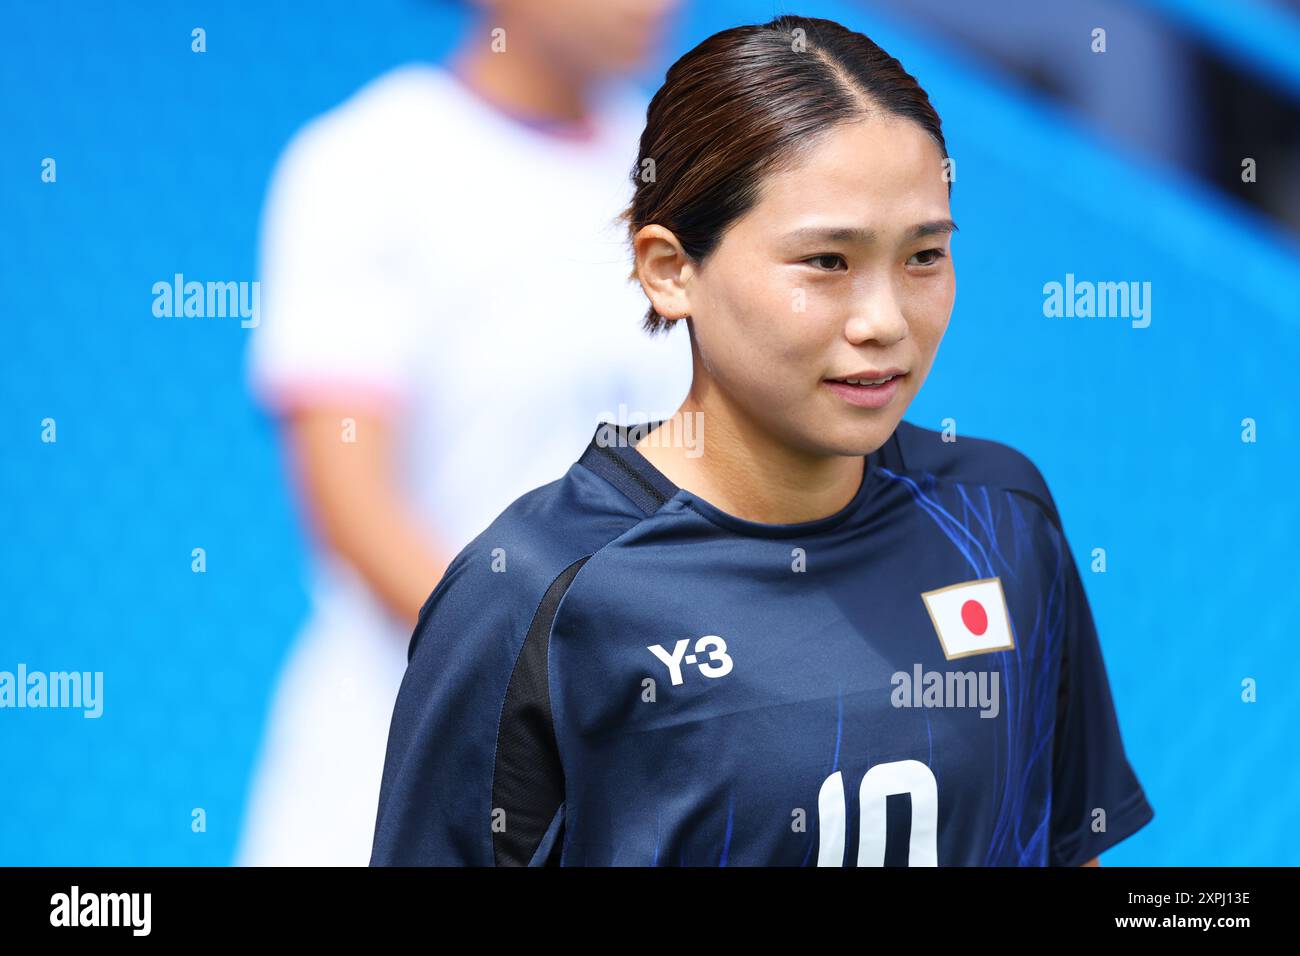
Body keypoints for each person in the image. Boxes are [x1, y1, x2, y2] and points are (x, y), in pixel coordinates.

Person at [370, 14, 1154, 867]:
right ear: (671, 270)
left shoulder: (1001, 521)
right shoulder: (531, 594)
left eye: (924, 255)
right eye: (826, 261)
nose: (885, 320)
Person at [236, 0, 690, 866]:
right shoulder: (365, 164)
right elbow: (354, 508)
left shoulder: (696, 176)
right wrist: (558, 686)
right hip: (387, 766)